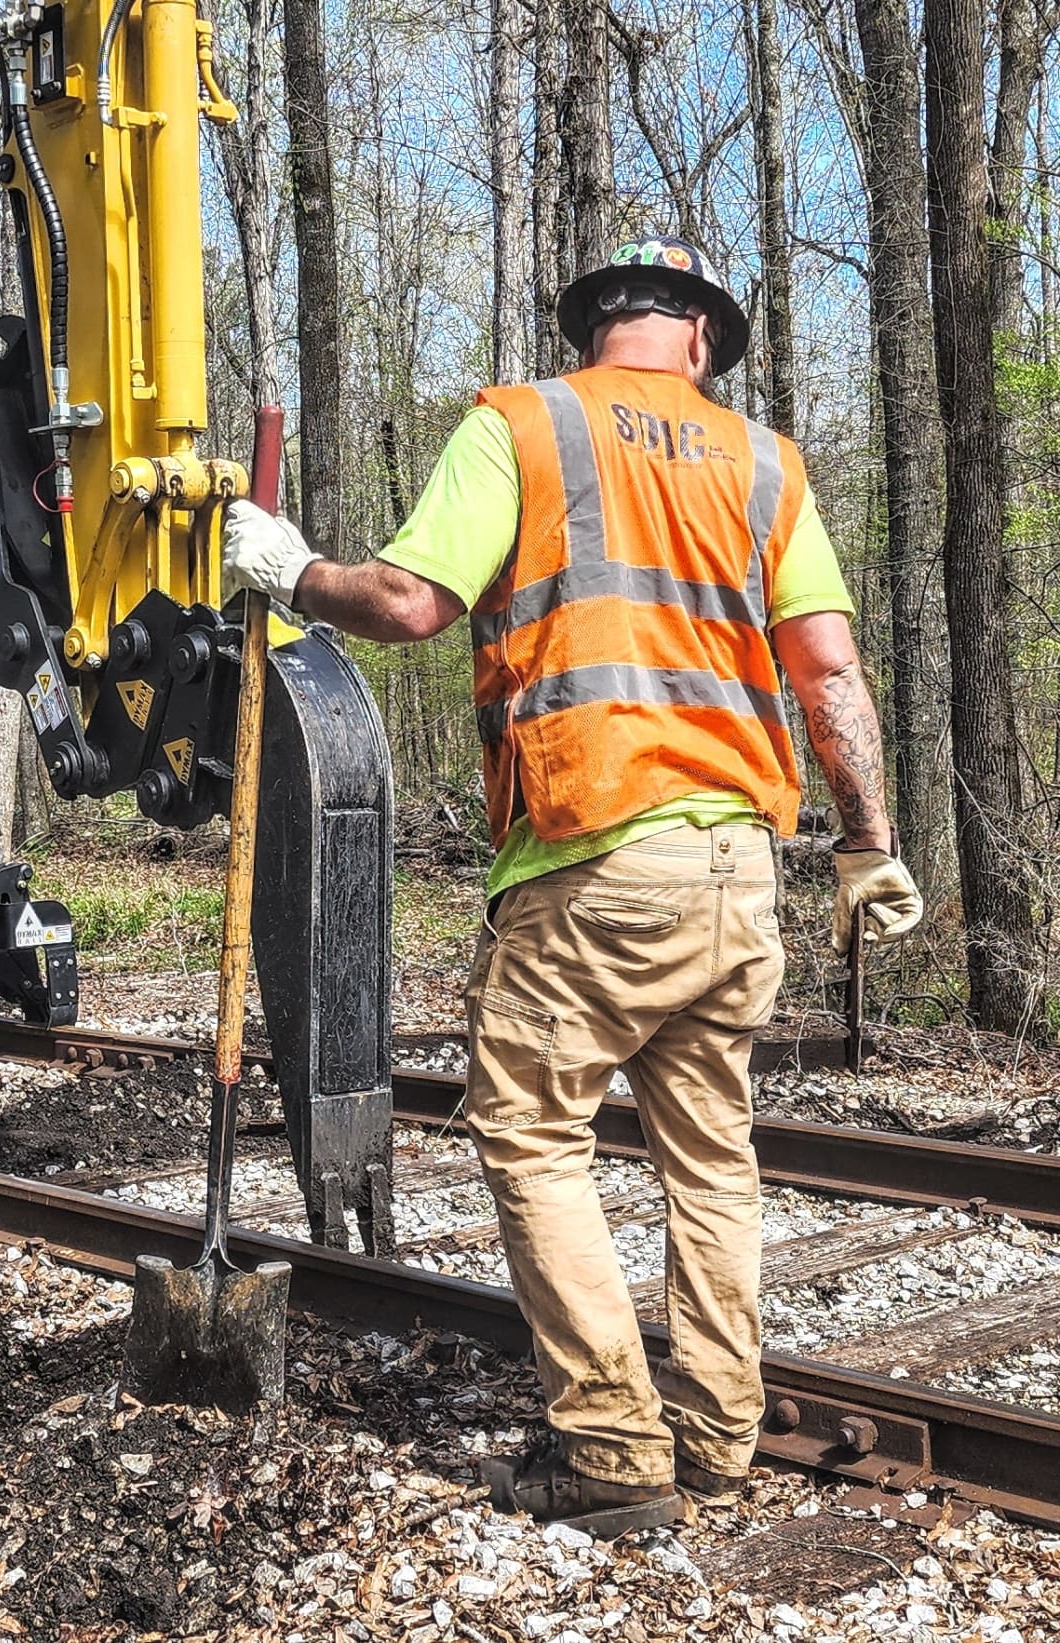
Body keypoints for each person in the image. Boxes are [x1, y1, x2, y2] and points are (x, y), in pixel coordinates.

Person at [220, 233, 925, 1538]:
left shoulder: (525, 424)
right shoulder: (768, 463)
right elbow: (828, 669)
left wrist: (290, 570)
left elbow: (411, 600)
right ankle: (717, 1440)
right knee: (711, 1153)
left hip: (597, 848)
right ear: (702, 337)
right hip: (738, 868)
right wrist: (869, 839)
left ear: (595, 325)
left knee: (532, 1128)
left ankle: (612, 1449)